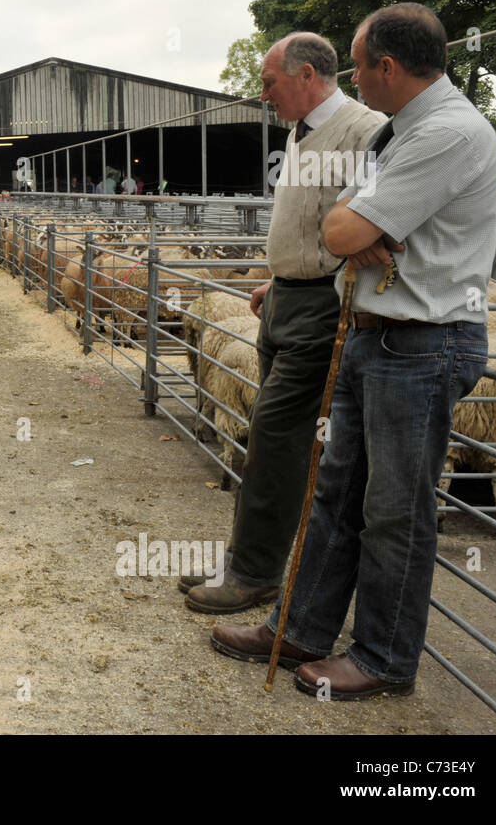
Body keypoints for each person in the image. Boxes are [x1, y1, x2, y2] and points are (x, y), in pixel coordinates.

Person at [211, 3, 496, 700]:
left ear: (388, 67)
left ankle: (383, 655)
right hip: (375, 333)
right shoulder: (401, 133)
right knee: (337, 494)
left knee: (395, 509)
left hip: (421, 344)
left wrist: (353, 222)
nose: (355, 80)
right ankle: (302, 626)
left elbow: (341, 229)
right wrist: (353, 221)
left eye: (361, 64)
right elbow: (343, 216)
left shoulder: (447, 135)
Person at [183, 31, 387, 614]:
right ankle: (249, 559)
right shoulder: (299, 134)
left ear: (305, 75)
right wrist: (283, 276)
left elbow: (374, 218)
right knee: (275, 438)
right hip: (284, 301)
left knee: (275, 437)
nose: (264, 94)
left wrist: (322, 276)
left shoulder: (363, 130)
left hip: (326, 308)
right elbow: (312, 217)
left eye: (270, 82)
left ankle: (254, 574)